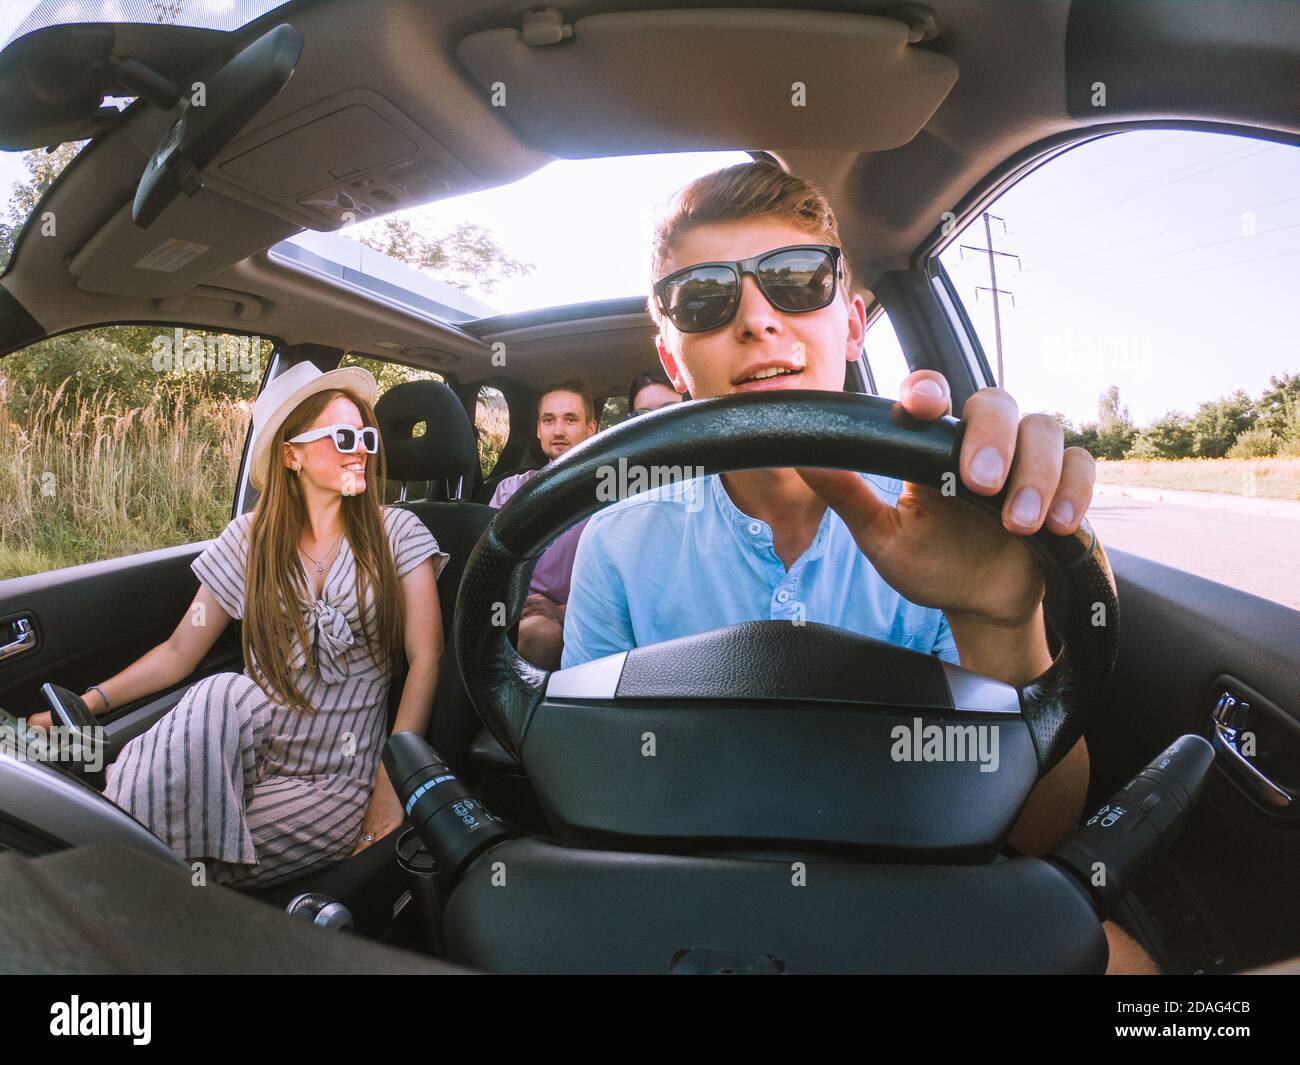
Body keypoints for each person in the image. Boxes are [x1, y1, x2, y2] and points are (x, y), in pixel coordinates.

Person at [562, 160, 1155, 973]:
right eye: (705, 298)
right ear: (672, 358)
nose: (759, 321)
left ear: (852, 323)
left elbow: (1038, 828)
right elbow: (586, 797)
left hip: (915, 893)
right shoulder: (617, 540)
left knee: (1121, 965)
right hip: (693, 903)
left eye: (797, 282)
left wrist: (998, 618)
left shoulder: (946, 517)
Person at [32, 361, 448, 888]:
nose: (362, 446)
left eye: (366, 434)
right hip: (246, 742)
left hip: (332, 776)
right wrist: (85, 705)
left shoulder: (397, 533)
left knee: (171, 860)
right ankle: (104, 863)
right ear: (291, 454)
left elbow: (425, 659)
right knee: (221, 691)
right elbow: (180, 652)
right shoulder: (247, 539)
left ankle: (93, 873)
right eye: (344, 435)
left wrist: (392, 789)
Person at [488, 380, 598, 670]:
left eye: (570, 420)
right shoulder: (510, 490)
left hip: (582, 617)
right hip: (510, 612)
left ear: (591, 429)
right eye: (549, 420)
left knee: (542, 635)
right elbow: (488, 566)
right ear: (538, 430)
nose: (558, 430)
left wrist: (561, 612)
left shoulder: (608, 495)